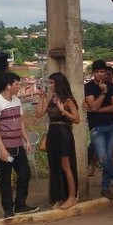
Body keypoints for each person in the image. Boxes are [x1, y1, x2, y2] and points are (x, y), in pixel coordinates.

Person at [0, 72, 39, 218]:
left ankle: (20, 204)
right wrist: (2, 149)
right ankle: (8, 208)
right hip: (6, 147)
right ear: (8, 86)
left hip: (18, 145)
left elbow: (20, 122)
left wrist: (26, 140)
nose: (19, 87)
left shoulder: (17, 101)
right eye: (17, 84)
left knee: (25, 173)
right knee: (5, 177)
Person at [36, 72, 80, 210]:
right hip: (53, 133)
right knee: (54, 165)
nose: (50, 85)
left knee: (66, 165)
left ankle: (72, 196)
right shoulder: (52, 98)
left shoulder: (68, 100)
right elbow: (39, 114)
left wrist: (63, 111)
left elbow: (76, 119)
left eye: (52, 83)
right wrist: (41, 98)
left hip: (64, 134)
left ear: (58, 83)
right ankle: (59, 197)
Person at [84, 59, 113, 198]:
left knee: (108, 158)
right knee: (103, 158)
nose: (100, 74)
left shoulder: (112, 87)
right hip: (96, 128)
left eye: (102, 72)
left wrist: (96, 109)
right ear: (93, 73)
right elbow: (93, 105)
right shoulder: (88, 87)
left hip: (111, 126)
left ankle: (105, 187)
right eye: (97, 72)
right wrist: (103, 93)